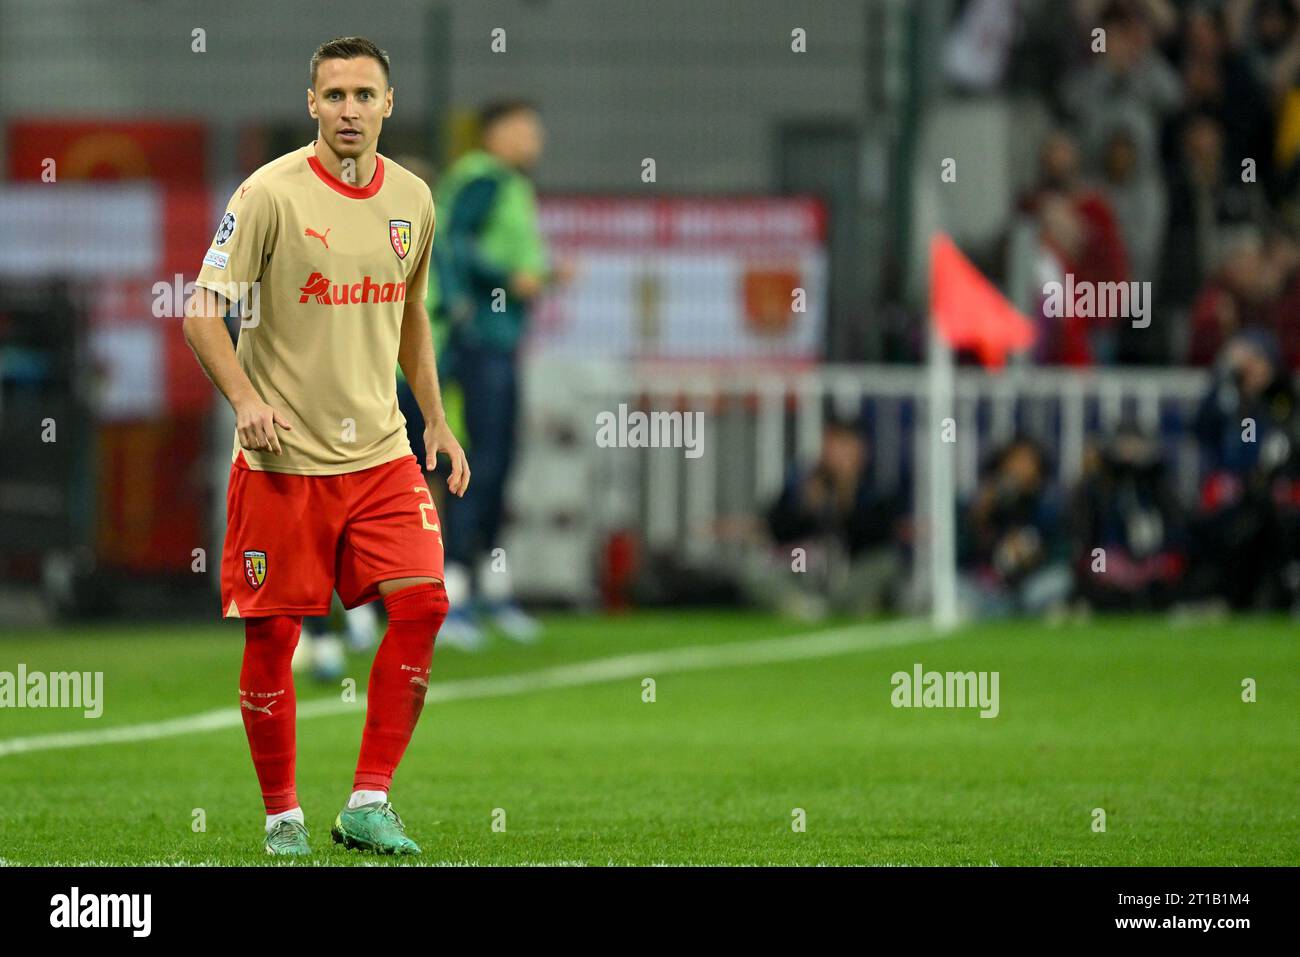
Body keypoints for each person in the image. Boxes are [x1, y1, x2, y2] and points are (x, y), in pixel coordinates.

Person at [183, 36, 470, 856]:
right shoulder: (268, 193)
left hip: (381, 452)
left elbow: (410, 314)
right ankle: (282, 818)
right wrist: (244, 399)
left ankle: (369, 800)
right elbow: (203, 311)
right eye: (334, 96)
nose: (350, 110)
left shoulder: (414, 198)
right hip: (285, 463)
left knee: (424, 604)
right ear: (312, 104)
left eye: (364, 95)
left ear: (389, 103)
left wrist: (436, 421)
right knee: (274, 636)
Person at [432, 99, 567, 646]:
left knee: (499, 462)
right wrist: (506, 277)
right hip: (474, 343)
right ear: (497, 133)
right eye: (525, 130)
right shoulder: (481, 179)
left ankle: (490, 589)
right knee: (477, 465)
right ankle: (452, 596)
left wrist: (539, 274)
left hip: (500, 341)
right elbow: (452, 243)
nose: (536, 140)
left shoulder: (507, 184)